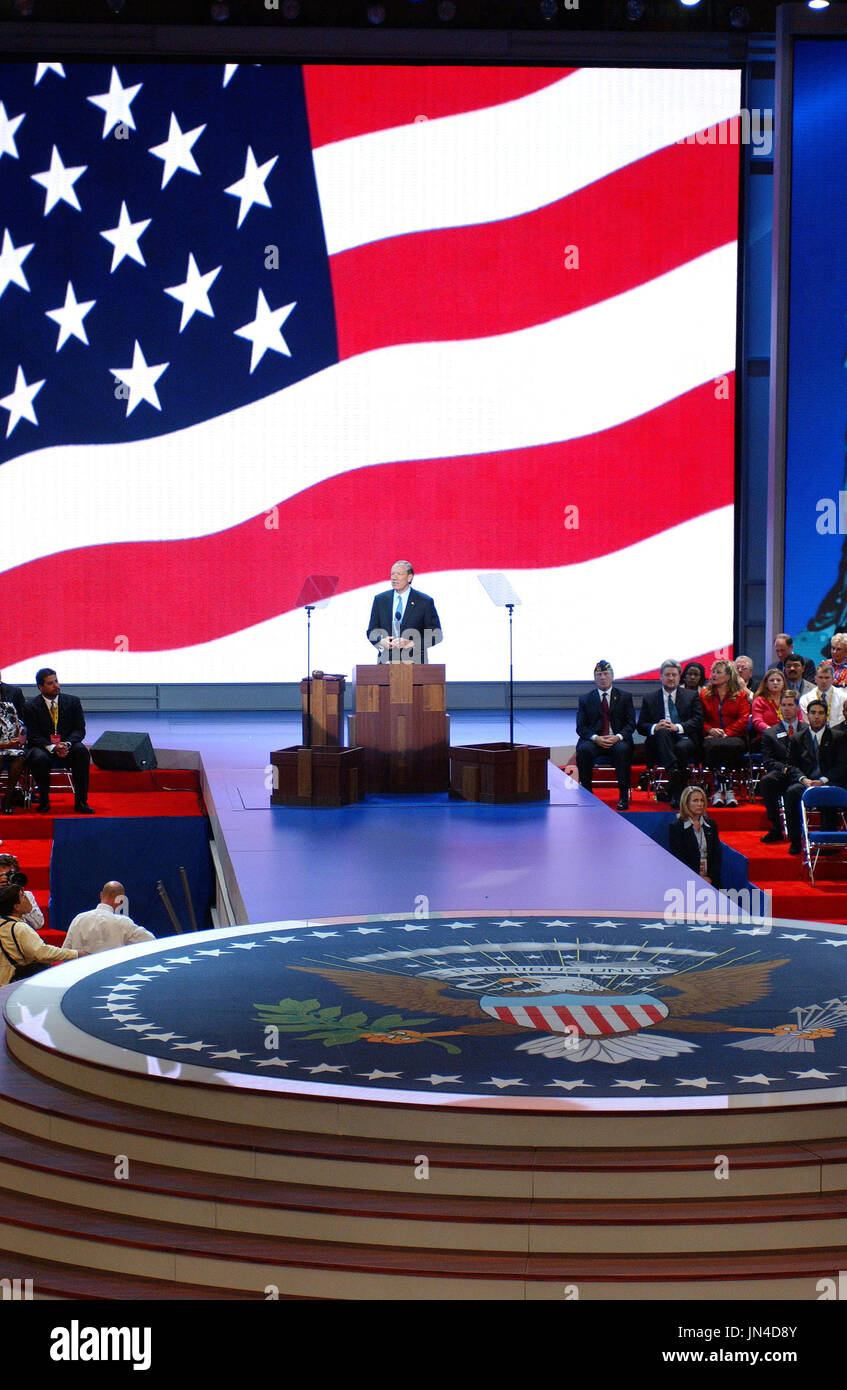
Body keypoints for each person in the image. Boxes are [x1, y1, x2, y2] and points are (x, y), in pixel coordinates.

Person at [780, 699, 847, 854]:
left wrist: (823, 780)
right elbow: (790, 766)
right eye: (813, 713)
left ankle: (829, 844)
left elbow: (842, 765)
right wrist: (804, 779)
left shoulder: (838, 737)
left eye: (821, 713)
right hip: (806, 781)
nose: (817, 716)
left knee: (830, 792)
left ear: (826, 716)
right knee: (791, 793)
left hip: (829, 781)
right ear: (807, 715)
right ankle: (796, 842)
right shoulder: (797, 738)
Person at [24, 669, 94, 815]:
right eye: (50, 683)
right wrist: (53, 747)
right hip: (43, 747)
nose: (56, 685)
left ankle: (81, 802)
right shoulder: (30, 706)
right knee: (38, 757)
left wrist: (66, 744)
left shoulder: (73, 702)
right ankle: (44, 801)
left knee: (81, 751)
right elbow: (33, 735)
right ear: (40, 687)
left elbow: (79, 730)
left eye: (56, 681)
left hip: (67, 745)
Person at [636, 659, 703, 807]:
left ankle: (674, 780)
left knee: (681, 747)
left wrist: (677, 727)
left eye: (674, 675)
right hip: (661, 741)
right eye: (667, 675)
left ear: (679, 677)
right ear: (661, 677)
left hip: (685, 738)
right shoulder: (650, 698)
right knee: (661, 733)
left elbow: (697, 721)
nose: (671, 678)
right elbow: (641, 726)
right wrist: (655, 726)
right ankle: (676, 773)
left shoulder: (691, 696)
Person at [759, 689, 818, 850]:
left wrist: (797, 771)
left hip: (802, 772)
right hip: (781, 773)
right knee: (767, 781)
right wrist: (784, 768)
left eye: (790, 705)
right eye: (783, 705)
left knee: (792, 791)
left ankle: (795, 837)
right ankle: (776, 829)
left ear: (798, 708)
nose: (786, 708)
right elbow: (768, 760)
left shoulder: (808, 730)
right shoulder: (770, 733)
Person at [576, 660, 636, 810]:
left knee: (623, 750)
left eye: (606, 674)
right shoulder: (585, 699)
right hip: (595, 740)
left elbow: (630, 724)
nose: (602, 677)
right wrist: (596, 738)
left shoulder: (625, 697)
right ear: (595, 678)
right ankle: (587, 792)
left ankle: (623, 795)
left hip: (617, 739)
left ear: (612, 677)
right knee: (584, 750)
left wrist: (618, 737)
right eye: (599, 674)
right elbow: (581, 728)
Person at [0, 882, 79, 985]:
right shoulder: (20, 928)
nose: (28, 898)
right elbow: (42, 953)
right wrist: (76, 953)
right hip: (14, 984)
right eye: (23, 896)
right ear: (16, 907)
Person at [366, 562, 443, 664]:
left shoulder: (424, 601)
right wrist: (381, 641)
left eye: (399, 574)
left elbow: (436, 635)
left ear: (409, 577)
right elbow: (372, 631)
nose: (394, 578)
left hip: (416, 663)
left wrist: (411, 643)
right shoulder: (380, 600)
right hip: (386, 663)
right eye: (392, 574)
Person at [699, 659, 750, 807]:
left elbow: (744, 719)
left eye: (718, 672)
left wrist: (726, 733)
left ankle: (723, 788)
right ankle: (724, 788)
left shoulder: (740, 695)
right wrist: (709, 729)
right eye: (713, 671)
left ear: (728, 676)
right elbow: (699, 718)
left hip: (734, 736)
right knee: (712, 746)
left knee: (729, 746)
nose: (714, 675)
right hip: (710, 737)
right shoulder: (704, 694)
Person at [64, 881, 154, 955]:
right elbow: (151, 940)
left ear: (101, 895)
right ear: (121, 900)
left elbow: (65, 951)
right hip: (112, 973)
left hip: (82, 973)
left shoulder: (79, 919)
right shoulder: (124, 923)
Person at [668, 784, 722, 887]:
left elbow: (717, 855)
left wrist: (710, 877)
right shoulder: (677, 827)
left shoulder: (711, 825)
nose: (700, 804)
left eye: (702, 800)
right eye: (695, 800)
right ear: (686, 803)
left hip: (711, 881)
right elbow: (679, 859)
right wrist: (696, 879)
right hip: (686, 882)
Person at [0, 669, 28, 815]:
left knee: (19, 757)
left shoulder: (13, 695)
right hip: (2, 744)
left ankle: (8, 798)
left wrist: (19, 739)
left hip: (12, 741)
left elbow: (22, 721)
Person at [0, 853, 43, 929]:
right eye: (2, 876)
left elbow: (38, 924)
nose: (6, 879)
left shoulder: (25, 896)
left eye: (9, 875)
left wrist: (20, 896)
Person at [799, 662, 847, 728]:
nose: (823, 681)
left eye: (827, 678)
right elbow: (807, 721)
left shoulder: (843, 697)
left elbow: (843, 719)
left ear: (832, 679)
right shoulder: (806, 699)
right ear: (815, 679)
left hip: (838, 734)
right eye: (820, 677)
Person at [751, 668, 792, 736]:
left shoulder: (790, 699)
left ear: (783, 683)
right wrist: (772, 732)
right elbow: (758, 722)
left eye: (778, 680)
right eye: (772, 680)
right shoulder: (759, 700)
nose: (775, 683)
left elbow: (798, 719)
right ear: (766, 684)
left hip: (789, 734)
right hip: (768, 735)